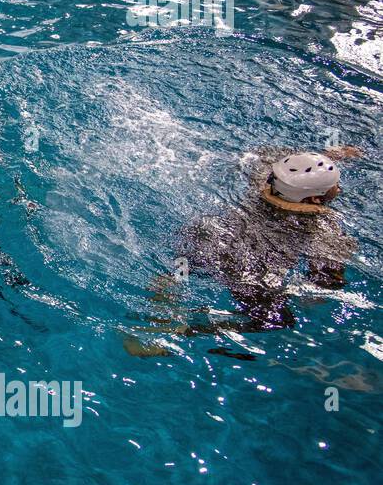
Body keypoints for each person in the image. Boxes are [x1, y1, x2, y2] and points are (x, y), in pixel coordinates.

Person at [126, 144, 362, 357]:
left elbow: (280, 161)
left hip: (208, 234)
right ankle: (186, 330)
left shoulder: (267, 178)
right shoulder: (324, 229)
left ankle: (167, 283)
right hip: (245, 268)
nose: (338, 189)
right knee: (275, 320)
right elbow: (325, 287)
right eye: (333, 188)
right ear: (314, 199)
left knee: (183, 269)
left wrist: (332, 156)